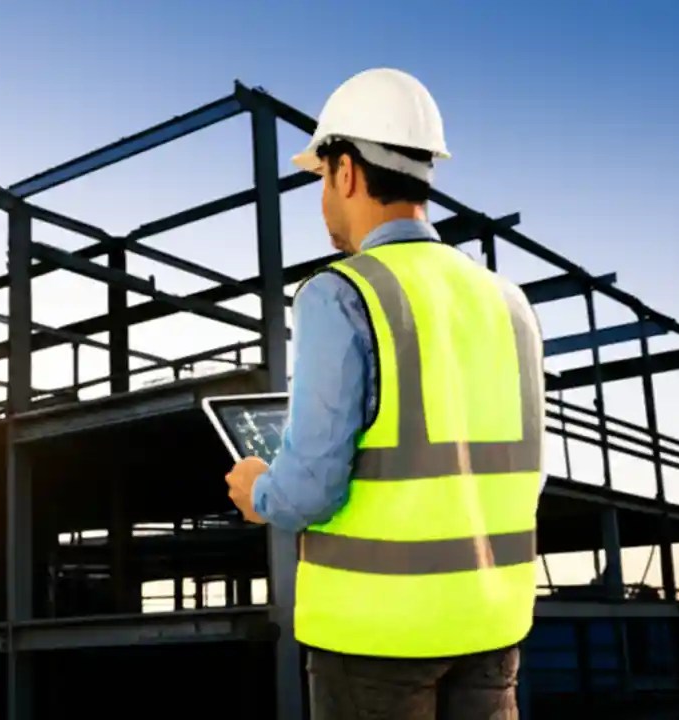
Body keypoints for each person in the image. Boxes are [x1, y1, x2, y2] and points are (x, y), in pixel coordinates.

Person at [224, 68, 545, 719]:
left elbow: (309, 489)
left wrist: (259, 491)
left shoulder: (340, 293)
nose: (322, 200)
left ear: (345, 170)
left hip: (377, 637)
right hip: (492, 624)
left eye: (320, 180)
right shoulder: (510, 302)